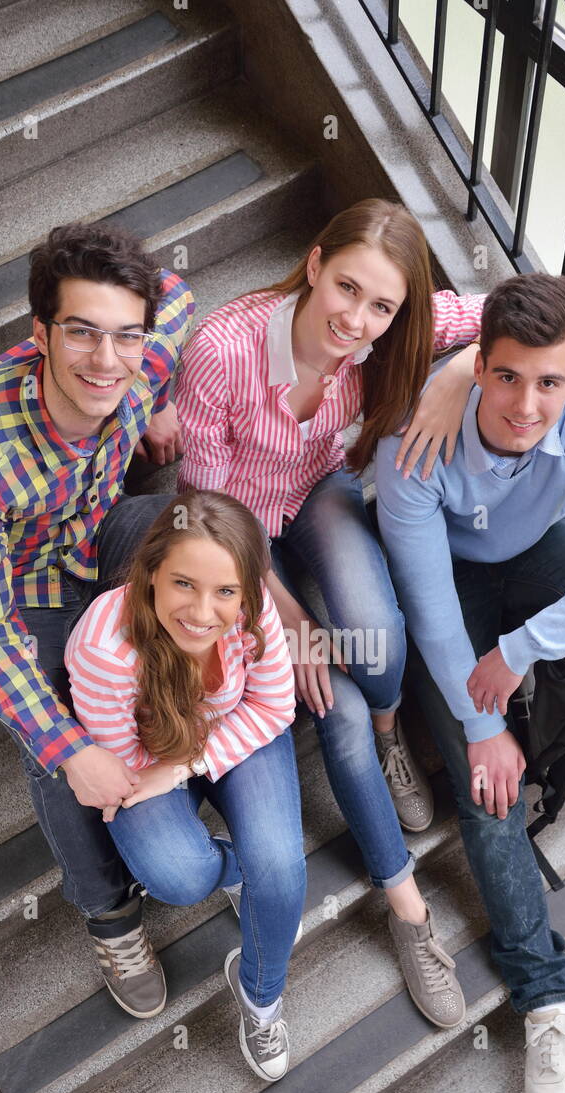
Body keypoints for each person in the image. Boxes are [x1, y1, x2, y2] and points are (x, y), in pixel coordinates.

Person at [174, 198, 485, 1029]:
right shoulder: (223, 353)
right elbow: (206, 509)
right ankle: (412, 915)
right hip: (233, 532)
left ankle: (391, 739)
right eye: (345, 289)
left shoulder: (394, 328)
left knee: (377, 642)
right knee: (332, 707)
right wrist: (284, 615)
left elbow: (536, 307)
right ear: (313, 265)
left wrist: (458, 369)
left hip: (317, 492)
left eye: (381, 306)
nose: (357, 320)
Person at [373, 272, 565, 1093]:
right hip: (451, 586)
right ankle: (548, 995)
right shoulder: (414, 442)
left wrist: (518, 653)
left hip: (536, 560)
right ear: (478, 366)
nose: (527, 403)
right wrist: (478, 726)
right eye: (506, 377)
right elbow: (428, 609)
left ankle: (554, 736)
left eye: (549, 383)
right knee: (486, 782)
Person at [0, 221, 192, 1008]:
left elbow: (174, 297)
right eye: (81, 334)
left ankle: (198, 751)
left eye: (124, 337)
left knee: (190, 536)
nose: (107, 361)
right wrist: (72, 750)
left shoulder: (140, 364)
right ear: (40, 333)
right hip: (25, 580)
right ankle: (109, 913)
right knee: (49, 733)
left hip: (101, 529)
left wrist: (160, 404)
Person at [64, 490, 305, 1081]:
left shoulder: (250, 612)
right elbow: (127, 772)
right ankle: (239, 873)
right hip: (148, 757)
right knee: (179, 874)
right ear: (151, 576)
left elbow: (274, 704)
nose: (203, 611)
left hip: (237, 729)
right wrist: (172, 767)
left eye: (225, 591)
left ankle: (260, 997)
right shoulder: (106, 650)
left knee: (282, 867)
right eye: (184, 585)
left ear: (247, 590)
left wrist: (188, 764)